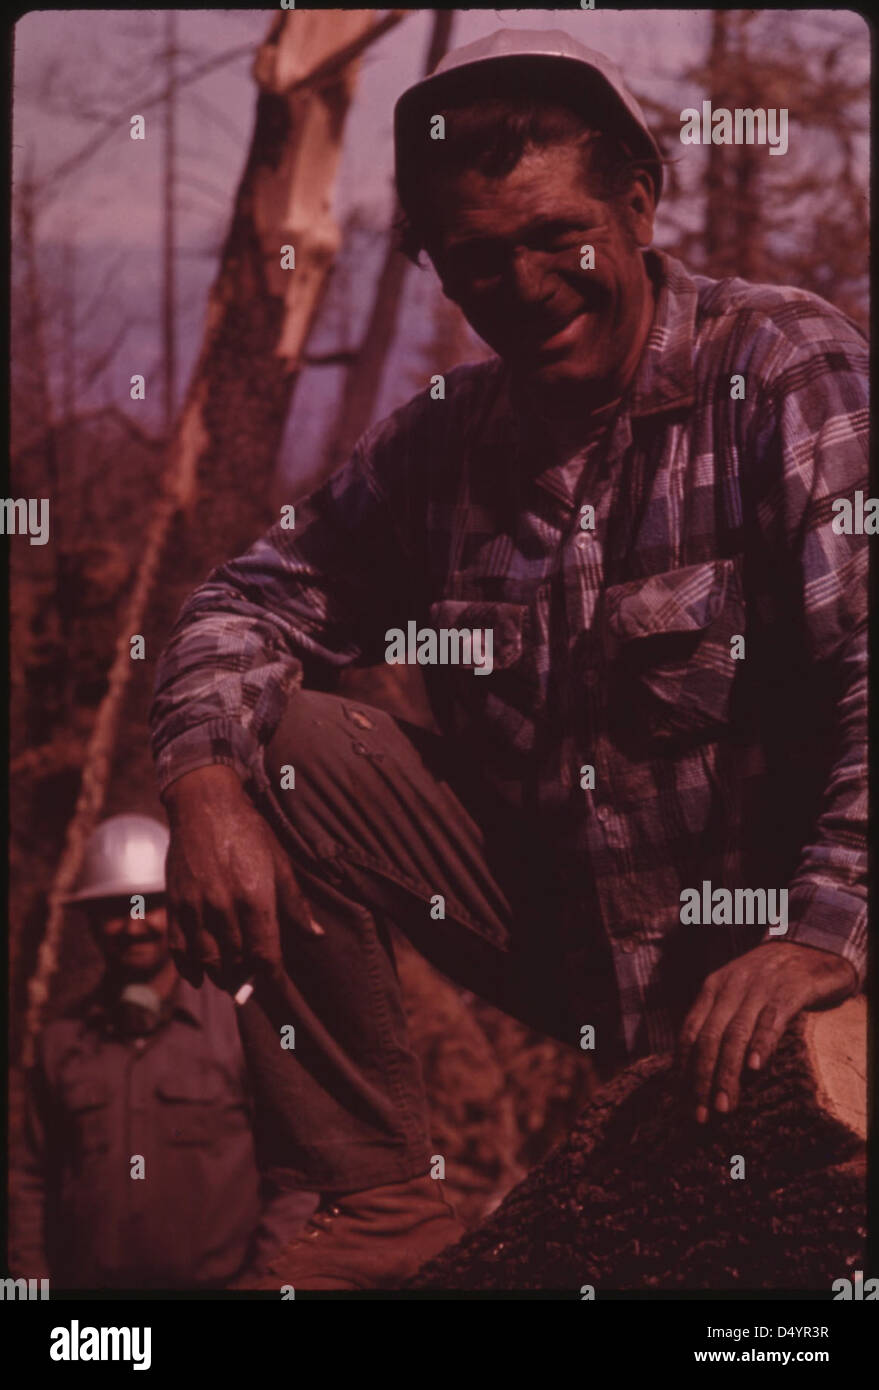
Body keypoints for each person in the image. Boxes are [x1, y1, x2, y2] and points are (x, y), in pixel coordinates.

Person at [148, 30, 866, 1290]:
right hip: (586, 954)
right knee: (275, 739)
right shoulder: (445, 444)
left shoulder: (782, 365)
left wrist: (825, 927)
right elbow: (237, 602)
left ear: (640, 206)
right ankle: (378, 1192)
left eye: (560, 236)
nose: (524, 284)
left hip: (798, 946)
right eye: (475, 261)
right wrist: (201, 782)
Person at [9, 814, 312, 1289]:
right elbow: (28, 1183)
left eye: (149, 905)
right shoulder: (60, 1044)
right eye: (114, 909)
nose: (133, 927)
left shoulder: (243, 1029)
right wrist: (30, 1286)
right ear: (89, 921)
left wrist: (262, 1285)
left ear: (182, 906)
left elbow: (298, 1178)